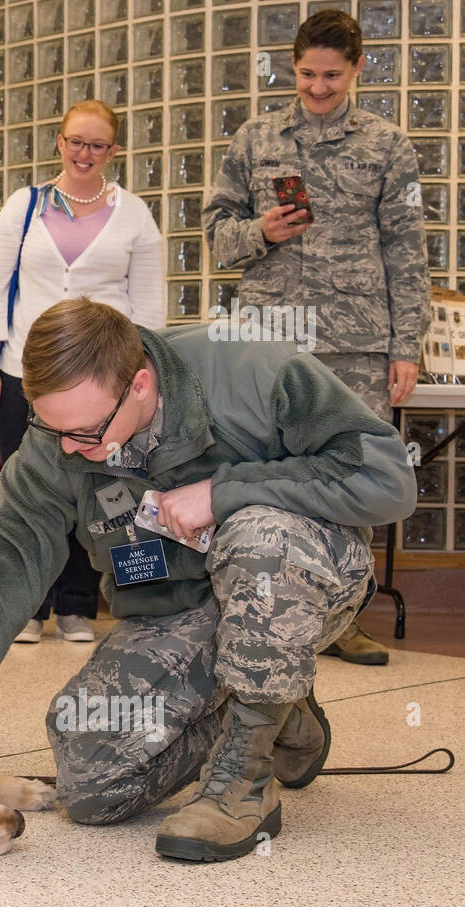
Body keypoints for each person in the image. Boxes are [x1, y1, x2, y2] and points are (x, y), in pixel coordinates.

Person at [0, 298, 416, 862]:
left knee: (259, 534)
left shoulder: (251, 370)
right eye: (50, 426)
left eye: (86, 432)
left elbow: (385, 478)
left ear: (140, 384)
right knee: (90, 782)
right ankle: (278, 706)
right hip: (179, 611)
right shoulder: (61, 434)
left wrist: (223, 493)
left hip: (298, 579)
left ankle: (246, 777)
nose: (69, 448)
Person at [203, 8, 431, 666]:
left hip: (357, 342)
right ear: (292, 66)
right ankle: (257, 601)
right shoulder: (254, 139)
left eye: (332, 75)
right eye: (307, 74)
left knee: (351, 473)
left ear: (358, 69)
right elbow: (216, 234)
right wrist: (261, 232)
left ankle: (342, 616)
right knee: (264, 465)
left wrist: (405, 345)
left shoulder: (391, 146)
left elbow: (407, 252)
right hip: (271, 339)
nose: (319, 87)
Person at [0, 100, 162, 645]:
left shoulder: (133, 214)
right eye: (75, 141)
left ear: (113, 151)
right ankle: (29, 608)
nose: (85, 153)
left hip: (104, 381)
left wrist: (143, 381)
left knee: (102, 489)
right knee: (30, 492)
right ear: (59, 142)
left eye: (97, 144)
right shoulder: (24, 206)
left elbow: (147, 307)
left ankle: (79, 606)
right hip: (22, 374)